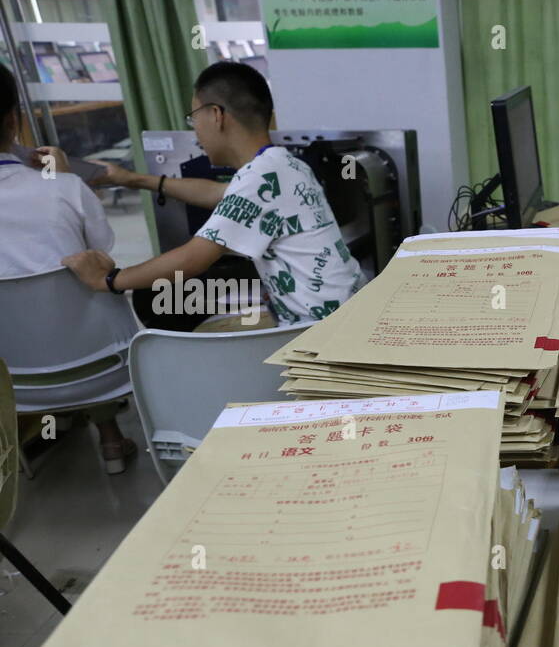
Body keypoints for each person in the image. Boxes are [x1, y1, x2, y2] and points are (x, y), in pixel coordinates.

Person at [62, 61, 362, 326]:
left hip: (319, 333)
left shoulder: (260, 177)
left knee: (180, 321)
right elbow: (221, 194)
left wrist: (109, 280)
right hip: (348, 311)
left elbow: (193, 259)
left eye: (194, 119)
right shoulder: (284, 164)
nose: (196, 132)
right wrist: (133, 179)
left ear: (216, 115)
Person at [0, 62, 136, 473]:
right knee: (92, 294)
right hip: (99, 368)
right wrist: (59, 182)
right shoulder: (64, 188)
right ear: (15, 120)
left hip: (12, 379)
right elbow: (102, 255)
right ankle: (111, 440)